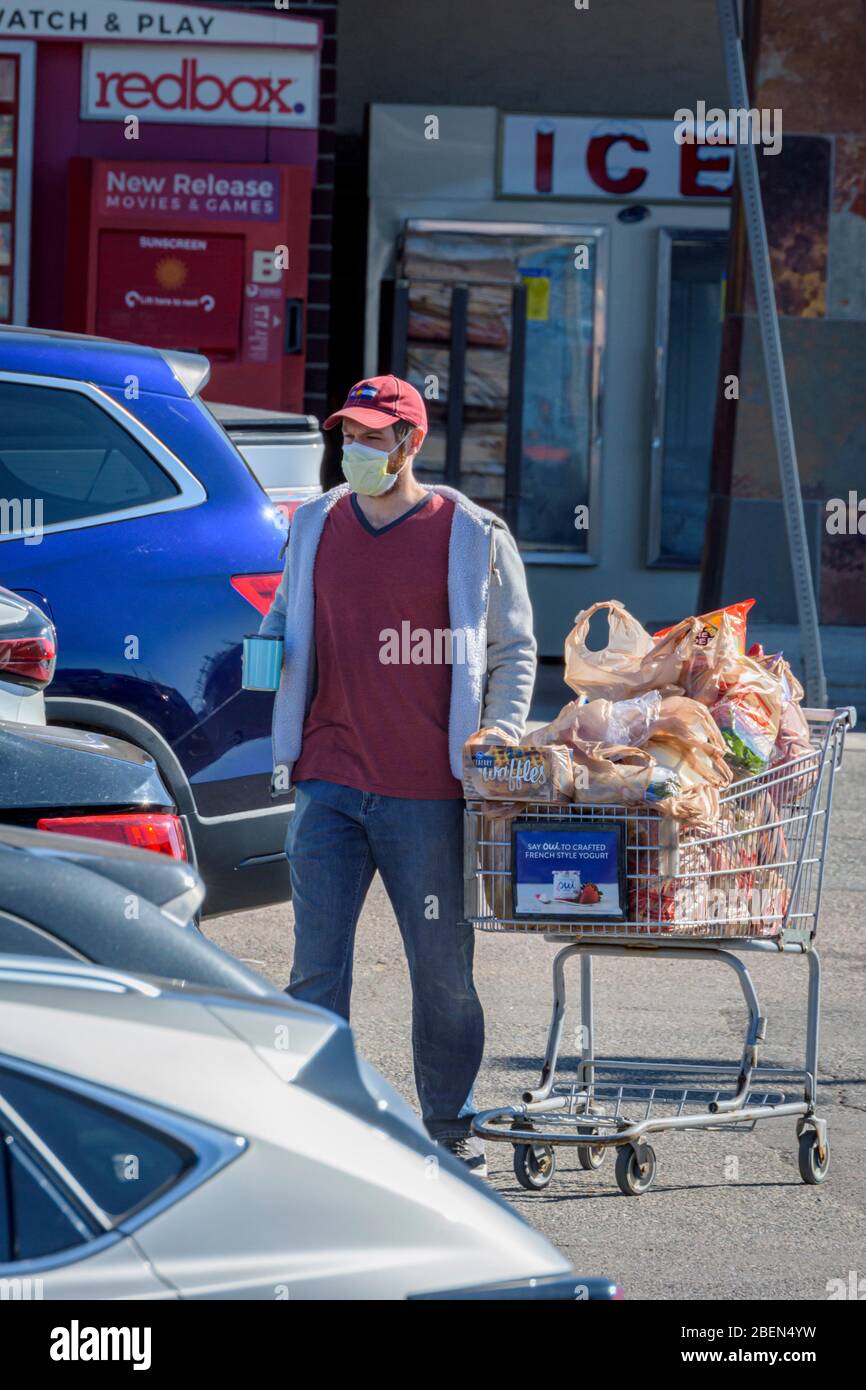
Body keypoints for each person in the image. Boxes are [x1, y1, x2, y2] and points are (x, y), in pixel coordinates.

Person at [259, 374, 536, 1175]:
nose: (355, 450)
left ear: (410, 444)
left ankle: (447, 1129)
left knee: (443, 974)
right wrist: (255, 670)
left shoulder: (472, 533)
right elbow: (282, 621)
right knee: (315, 969)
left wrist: (502, 732)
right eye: (347, 435)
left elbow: (516, 648)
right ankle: (315, 1129)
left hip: (427, 792)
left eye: (372, 438)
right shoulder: (314, 524)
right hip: (329, 784)